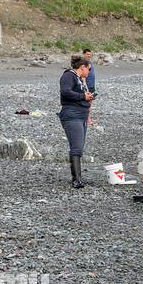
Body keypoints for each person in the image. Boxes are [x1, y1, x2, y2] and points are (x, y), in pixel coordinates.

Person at [58, 55, 95, 188]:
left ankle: (78, 177)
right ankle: (76, 179)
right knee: (77, 147)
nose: (89, 72)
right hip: (72, 115)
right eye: (88, 69)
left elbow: (80, 95)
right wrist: (82, 96)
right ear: (82, 67)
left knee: (79, 146)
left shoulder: (80, 79)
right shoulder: (69, 76)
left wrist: (88, 97)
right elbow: (65, 92)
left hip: (81, 115)